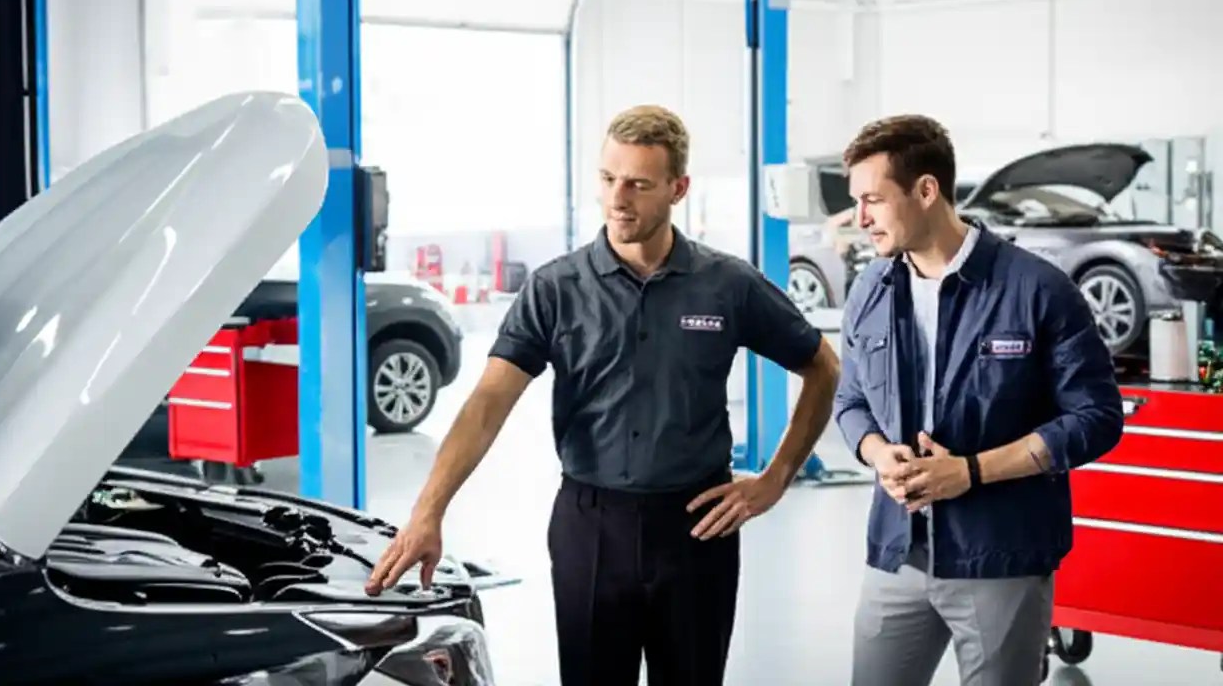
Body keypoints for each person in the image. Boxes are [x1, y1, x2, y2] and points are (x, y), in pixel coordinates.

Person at [365, 104, 841, 685]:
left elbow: (822, 366)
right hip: (591, 527)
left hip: (697, 529)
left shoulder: (728, 285)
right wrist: (427, 513)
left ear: (677, 188)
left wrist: (776, 477)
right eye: (609, 179)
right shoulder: (556, 288)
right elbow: (488, 402)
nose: (619, 198)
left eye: (640, 184)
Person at [833, 114, 1125, 686]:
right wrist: (874, 452)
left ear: (926, 190)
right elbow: (851, 400)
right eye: (856, 200)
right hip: (900, 550)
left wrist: (970, 471)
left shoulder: (1037, 289)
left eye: (873, 199)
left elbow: (1097, 418)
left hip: (1001, 557)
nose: (859, 218)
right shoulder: (872, 288)